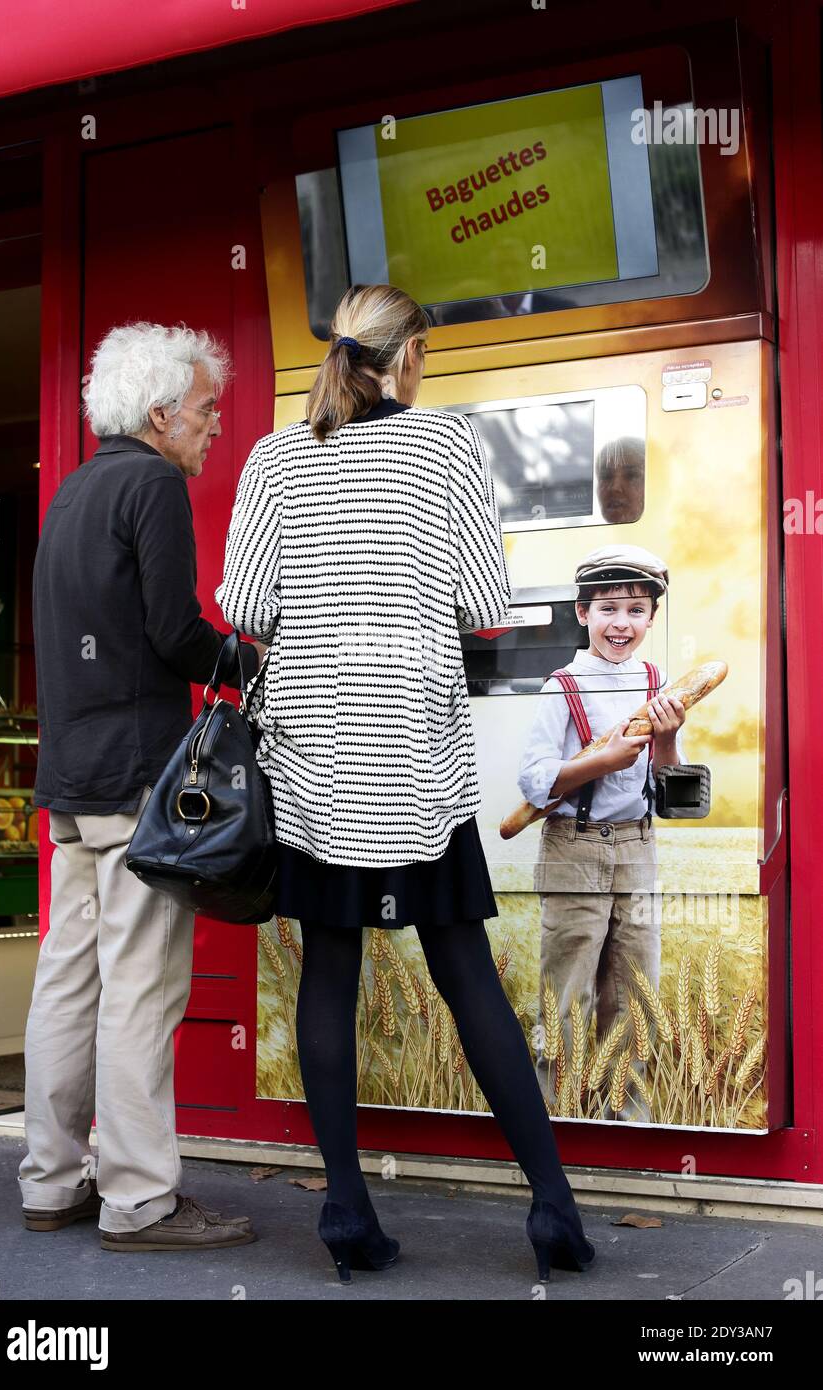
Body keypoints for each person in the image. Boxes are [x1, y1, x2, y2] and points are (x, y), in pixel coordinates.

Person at [216, 283, 595, 1284]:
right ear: (410, 355)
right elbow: (482, 598)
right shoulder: (446, 447)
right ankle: (552, 1206)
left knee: (327, 972)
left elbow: (248, 602)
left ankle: (346, 1211)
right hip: (413, 755)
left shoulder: (272, 456)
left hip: (317, 757)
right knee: (465, 969)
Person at [20, 322, 264, 1251]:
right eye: (206, 410)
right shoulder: (153, 484)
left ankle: (49, 1181)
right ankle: (139, 1199)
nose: (213, 427)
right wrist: (248, 661)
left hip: (70, 783)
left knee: (67, 983)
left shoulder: (76, 489)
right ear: (161, 414)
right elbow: (173, 631)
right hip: (133, 783)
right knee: (139, 989)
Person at [517, 545, 687, 1122]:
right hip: (574, 848)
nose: (622, 623)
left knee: (636, 991)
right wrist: (602, 761)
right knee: (566, 990)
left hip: (637, 846)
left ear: (651, 619)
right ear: (583, 613)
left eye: (636, 610)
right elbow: (537, 781)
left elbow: (669, 785)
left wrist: (665, 739)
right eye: (609, 608)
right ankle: (551, 1115)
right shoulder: (561, 685)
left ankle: (626, 1116)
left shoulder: (658, 684)